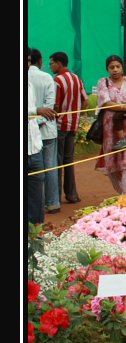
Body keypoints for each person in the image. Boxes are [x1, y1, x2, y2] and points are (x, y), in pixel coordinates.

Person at [49, 51, 86, 204]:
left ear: (59, 63)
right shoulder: (76, 78)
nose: (50, 66)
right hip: (73, 125)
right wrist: (78, 117)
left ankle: (55, 197)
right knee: (69, 161)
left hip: (60, 126)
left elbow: (56, 105)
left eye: (51, 63)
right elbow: (85, 101)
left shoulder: (57, 80)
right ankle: (72, 194)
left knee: (57, 162)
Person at [28, 49, 60, 214]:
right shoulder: (47, 77)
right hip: (45, 129)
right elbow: (49, 105)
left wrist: (37, 117)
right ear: (39, 62)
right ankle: (53, 202)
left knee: (36, 176)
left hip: (33, 133)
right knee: (50, 166)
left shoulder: (29, 79)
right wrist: (39, 116)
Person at [95, 54, 126, 195]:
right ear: (107, 69)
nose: (115, 70)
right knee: (112, 163)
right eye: (112, 67)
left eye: (118, 66)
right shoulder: (103, 82)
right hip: (109, 129)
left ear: (122, 68)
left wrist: (122, 108)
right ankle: (123, 193)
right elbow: (106, 102)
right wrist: (125, 107)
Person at [28, 67, 49, 225]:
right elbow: (34, 110)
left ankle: (36, 231)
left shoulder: (29, 84)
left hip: (34, 147)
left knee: (36, 190)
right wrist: (36, 110)